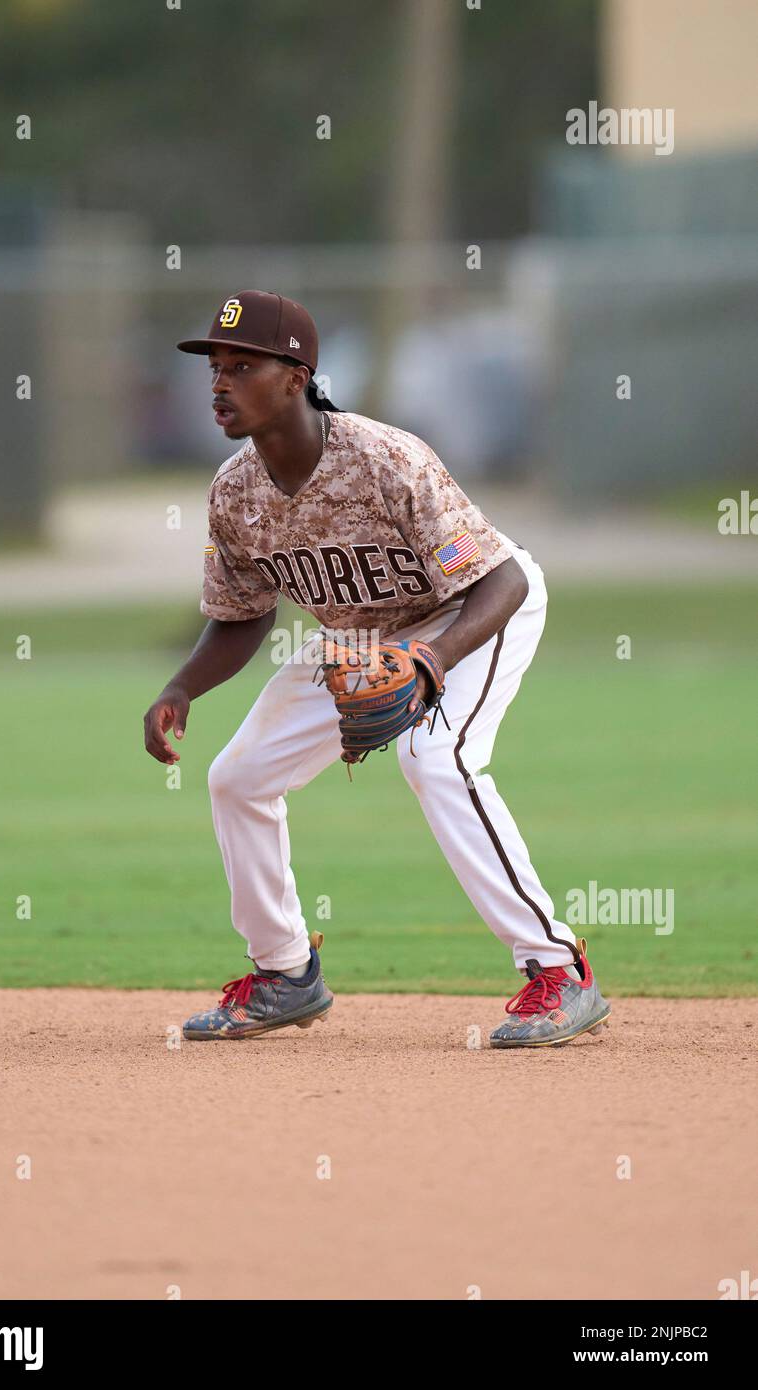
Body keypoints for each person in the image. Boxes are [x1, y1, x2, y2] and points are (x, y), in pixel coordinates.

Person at [143, 290, 611, 1048]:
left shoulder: (385, 458)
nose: (220, 384)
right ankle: (284, 975)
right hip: (359, 638)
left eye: (242, 367)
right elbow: (243, 612)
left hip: (472, 612)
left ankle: (561, 971)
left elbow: (504, 582)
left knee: (436, 758)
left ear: (296, 377)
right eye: (215, 369)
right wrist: (181, 686)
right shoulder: (234, 491)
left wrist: (431, 661)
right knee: (237, 777)